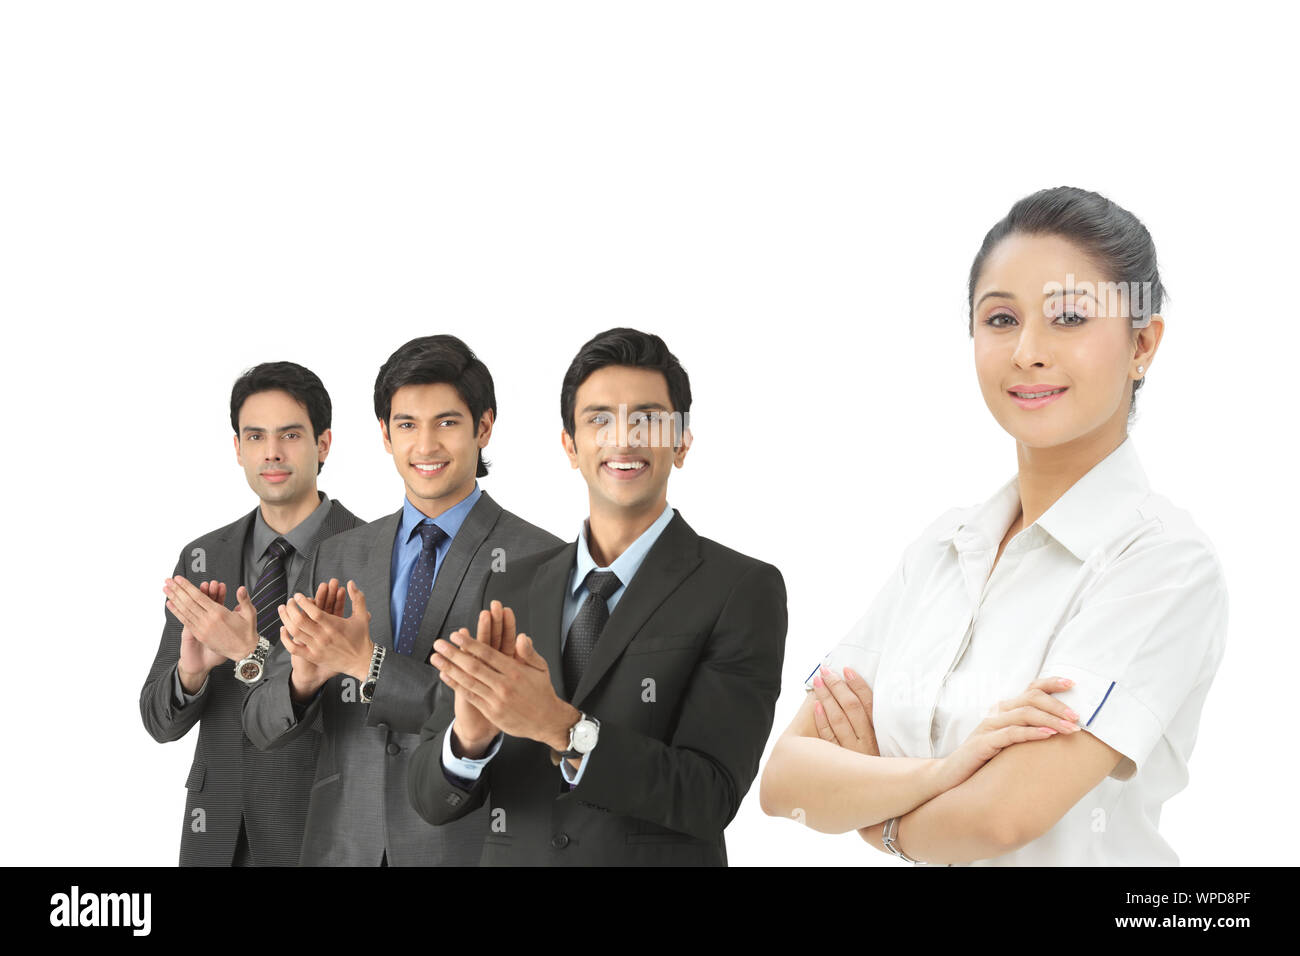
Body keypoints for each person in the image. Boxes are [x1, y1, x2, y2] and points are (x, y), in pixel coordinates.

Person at [759, 186, 1229, 866]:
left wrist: (876, 818)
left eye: (1069, 317)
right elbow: (785, 783)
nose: (1028, 352)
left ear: (1142, 346)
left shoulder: (1162, 563)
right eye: (1001, 319)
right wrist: (949, 772)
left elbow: (1003, 818)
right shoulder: (943, 550)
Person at [408, 327, 788, 866]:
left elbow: (709, 794)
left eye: (648, 419)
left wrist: (560, 727)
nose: (623, 438)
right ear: (571, 446)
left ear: (681, 443)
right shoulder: (508, 587)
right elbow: (429, 799)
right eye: (599, 419)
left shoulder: (740, 589)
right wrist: (468, 739)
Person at [242, 334, 561, 866]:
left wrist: (365, 663)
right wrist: (300, 680)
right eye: (407, 425)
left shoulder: (542, 559)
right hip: (343, 844)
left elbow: (520, 723)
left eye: (447, 422)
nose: (426, 445)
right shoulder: (336, 555)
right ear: (385, 436)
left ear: (483, 428)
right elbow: (259, 723)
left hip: (465, 846)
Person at [140, 361, 364, 866]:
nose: (272, 452)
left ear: (323, 444)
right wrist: (190, 676)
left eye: (290, 434)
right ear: (237, 448)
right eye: (255, 436)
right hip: (216, 831)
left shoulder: (372, 555)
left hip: (323, 829)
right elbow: (158, 721)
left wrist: (251, 653)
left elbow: (379, 711)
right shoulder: (202, 559)